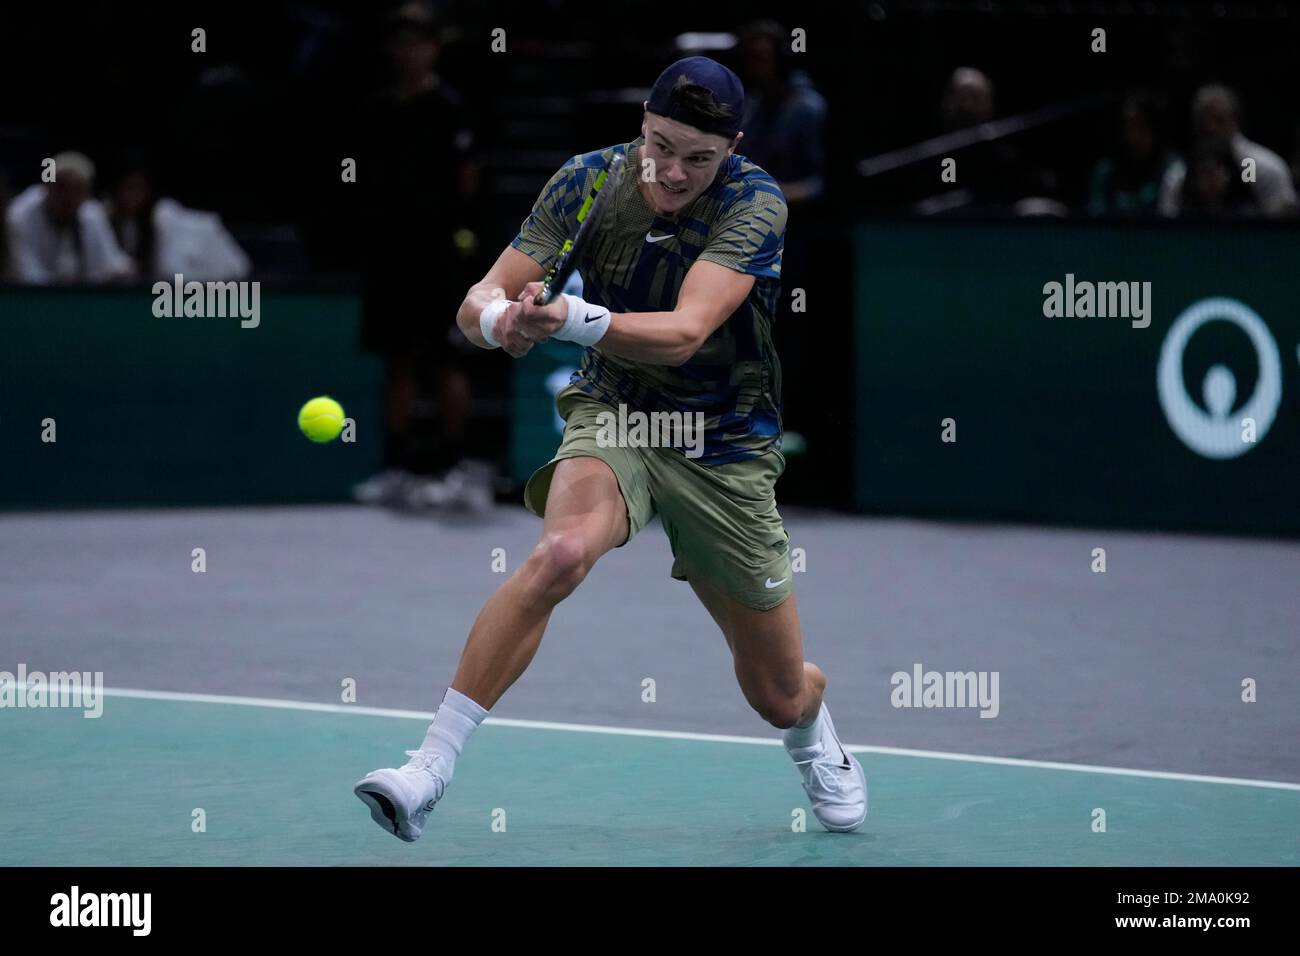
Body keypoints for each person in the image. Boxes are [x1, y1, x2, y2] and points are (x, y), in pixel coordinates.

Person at [354, 56, 868, 841]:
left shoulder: (756, 201)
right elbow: (478, 301)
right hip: (616, 410)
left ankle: (812, 727)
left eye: (700, 157)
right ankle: (428, 770)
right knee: (560, 552)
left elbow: (687, 332)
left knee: (778, 695)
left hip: (722, 444)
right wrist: (504, 323)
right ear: (642, 122)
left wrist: (569, 319)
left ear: (731, 147)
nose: (674, 171)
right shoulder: (586, 181)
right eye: (661, 145)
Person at [1159, 85, 1296, 218]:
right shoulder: (1179, 174)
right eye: (1203, 121)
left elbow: (1281, 218)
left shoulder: (1255, 166)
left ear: (1235, 120)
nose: (1210, 127)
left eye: (1219, 120)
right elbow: (1168, 220)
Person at [6, 151, 134, 284]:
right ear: (47, 187)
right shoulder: (20, 215)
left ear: (87, 193)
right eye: (61, 187)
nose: (68, 198)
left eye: (77, 190)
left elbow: (111, 267)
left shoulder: (92, 214)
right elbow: (25, 273)